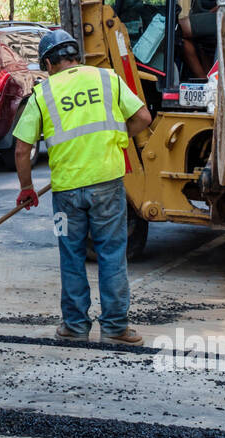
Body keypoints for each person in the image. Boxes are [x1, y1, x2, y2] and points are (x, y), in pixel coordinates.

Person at [12, 29, 153, 344]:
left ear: (49, 63)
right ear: (76, 55)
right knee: (112, 254)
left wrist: (26, 188)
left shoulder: (44, 93)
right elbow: (143, 117)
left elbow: (22, 149)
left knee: (72, 255)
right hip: (108, 183)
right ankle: (116, 327)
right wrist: (115, 137)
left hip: (67, 193)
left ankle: (75, 327)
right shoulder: (108, 79)